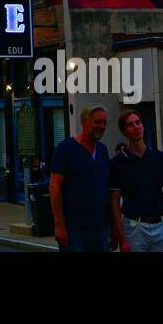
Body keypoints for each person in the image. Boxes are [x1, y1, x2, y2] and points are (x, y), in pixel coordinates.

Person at [108, 110, 163, 253]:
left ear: (143, 126)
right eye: (130, 125)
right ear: (124, 131)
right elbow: (114, 202)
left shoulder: (159, 158)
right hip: (135, 228)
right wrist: (122, 238)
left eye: (138, 122)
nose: (136, 127)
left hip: (161, 225)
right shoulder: (117, 163)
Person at [50, 106, 112, 252]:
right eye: (98, 122)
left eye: (104, 123)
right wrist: (59, 225)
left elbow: (106, 188)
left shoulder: (103, 150)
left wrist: (111, 227)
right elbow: (54, 187)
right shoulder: (65, 149)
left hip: (100, 227)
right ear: (84, 122)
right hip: (74, 229)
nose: (102, 126)